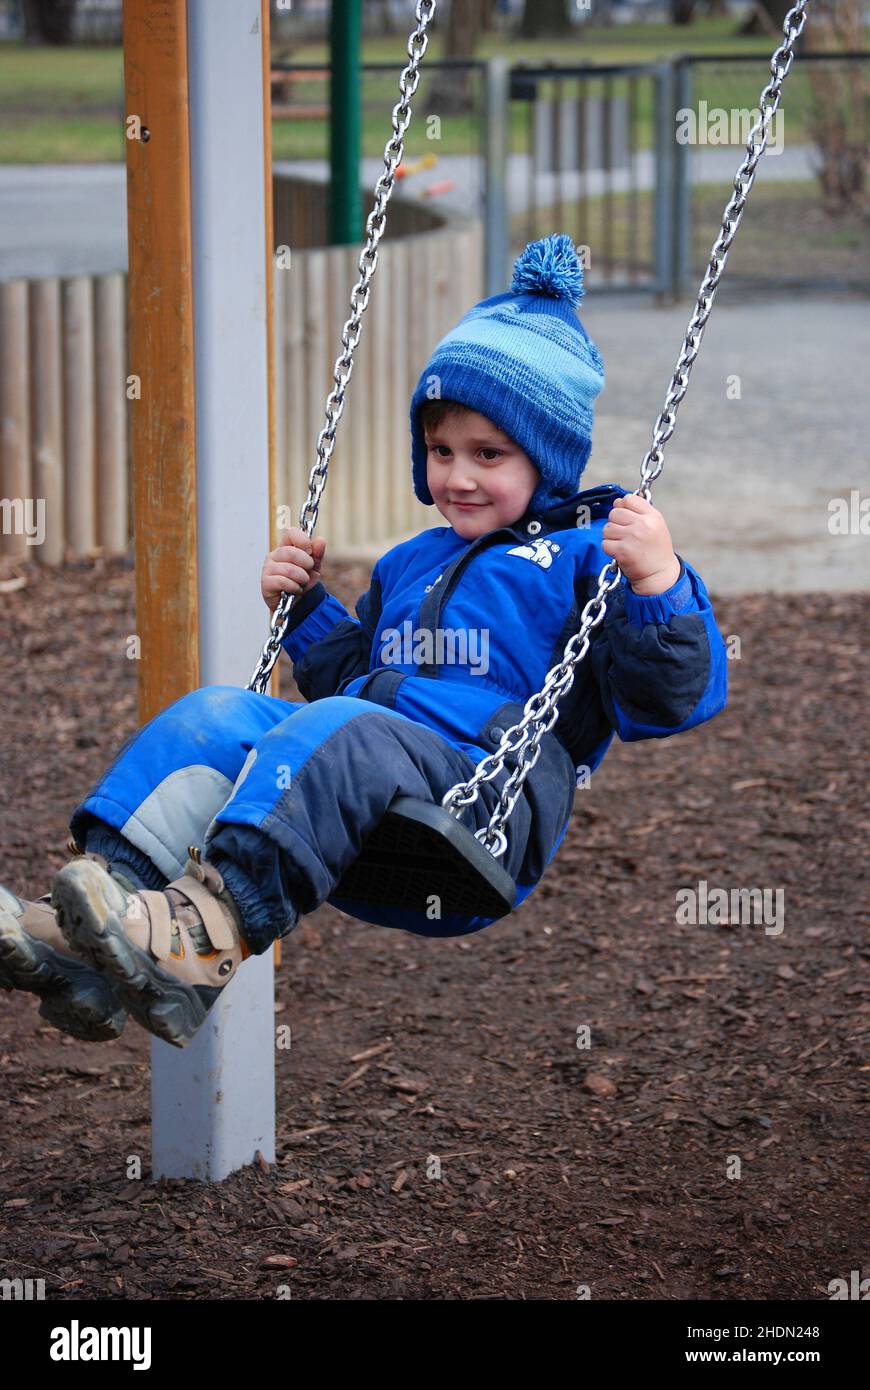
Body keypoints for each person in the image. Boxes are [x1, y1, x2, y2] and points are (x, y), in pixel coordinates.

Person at [0, 233, 727, 1049]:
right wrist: (305, 606)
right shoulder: (410, 562)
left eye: (490, 454)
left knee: (339, 732)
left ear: (549, 461)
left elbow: (670, 700)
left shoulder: (592, 559)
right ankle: (95, 922)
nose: (458, 476)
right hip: (370, 783)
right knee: (216, 714)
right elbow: (356, 681)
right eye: (442, 450)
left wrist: (659, 583)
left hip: (479, 805)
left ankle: (203, 938)